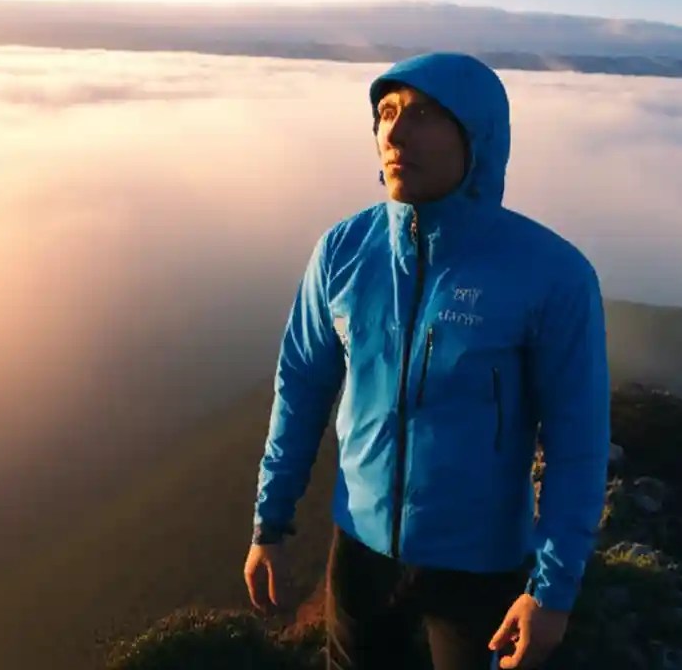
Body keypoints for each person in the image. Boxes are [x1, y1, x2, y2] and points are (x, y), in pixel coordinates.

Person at [244, 52, 610, 670]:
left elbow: (578, 442)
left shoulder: (551, 274)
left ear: (479, 137)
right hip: (359, 548)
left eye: (425, 115)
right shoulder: (344, 250)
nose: (395, 132)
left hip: (482, 565)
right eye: (385, 113)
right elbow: (301, 388)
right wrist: (269, 525)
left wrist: (551, 591)